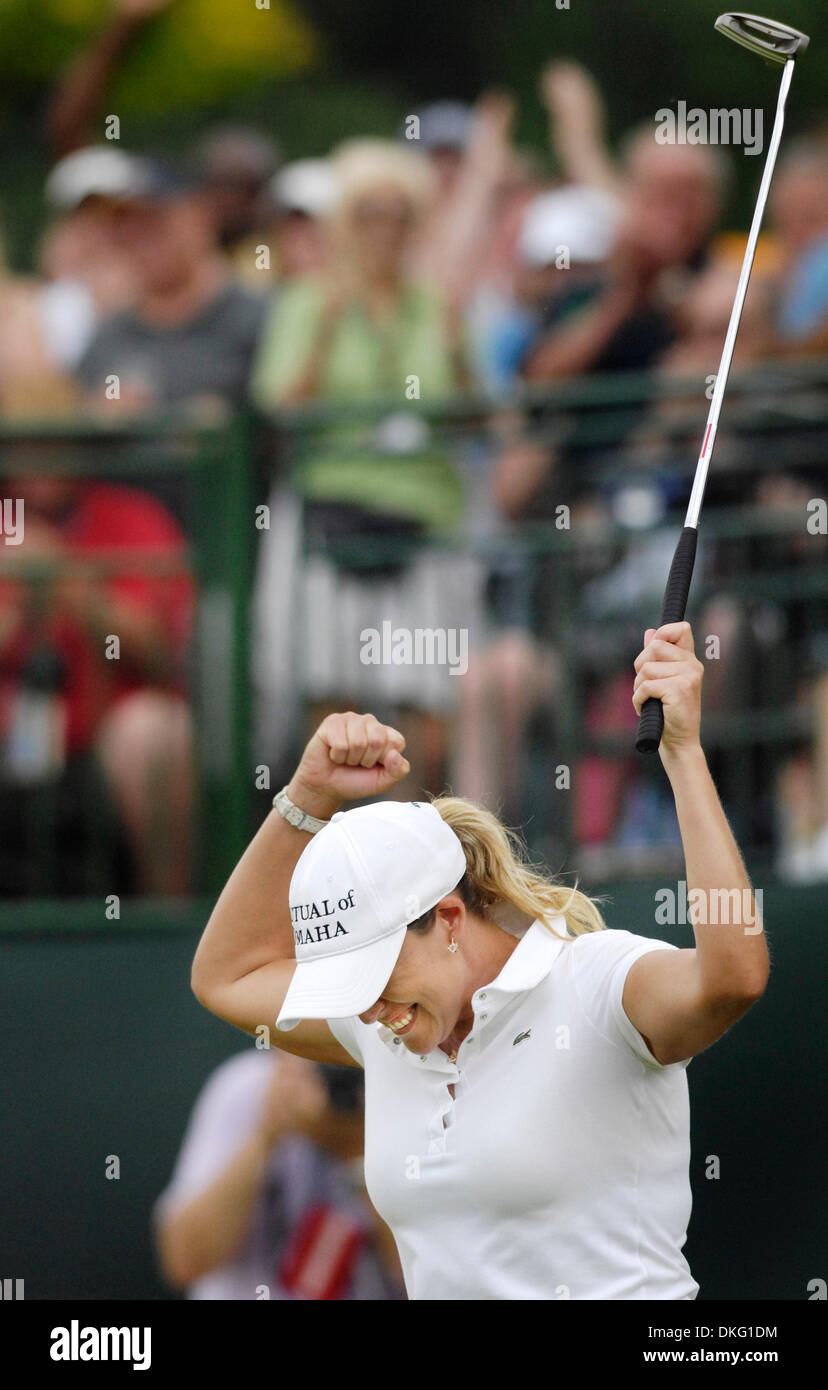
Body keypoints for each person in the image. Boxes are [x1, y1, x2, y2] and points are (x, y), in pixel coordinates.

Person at [192, 621, 769, 1300]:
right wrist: (308, 796)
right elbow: (224, 976)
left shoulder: (595, 984)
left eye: (376, 976)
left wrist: (683, 754)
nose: (369, 1007)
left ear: (448, 917)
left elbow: (732, 977)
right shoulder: (378, 1025)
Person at [154, 1049, 403, 1300]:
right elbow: (185, 1262)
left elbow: (430, 1279)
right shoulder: (249, 1086)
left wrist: (357, 1157)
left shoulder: (413, 1098)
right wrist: (267, 1133)